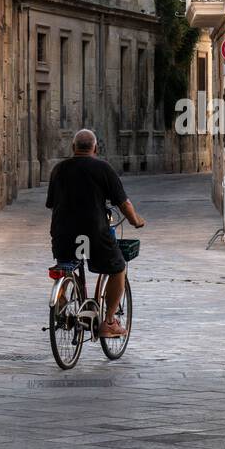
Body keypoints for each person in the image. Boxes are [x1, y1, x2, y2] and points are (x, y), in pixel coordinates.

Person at [46, 129, 145, 338]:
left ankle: (62, 298)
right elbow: (123, 203)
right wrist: (136, 221)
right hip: (94, 232)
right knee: (118, 268)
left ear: (73, 148)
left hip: (62, 234)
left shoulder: (58, 169)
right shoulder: (103, 168)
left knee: (66, 265)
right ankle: (109, 322)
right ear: (95, 148)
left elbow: (51, 204)